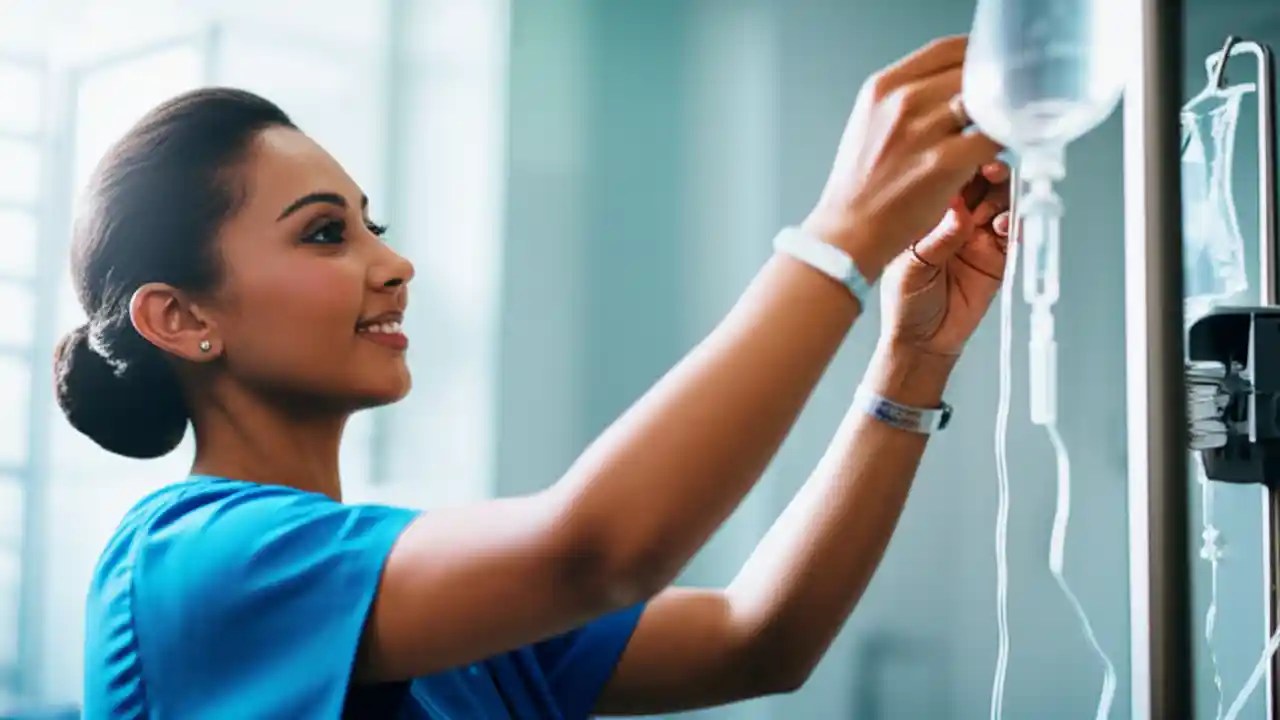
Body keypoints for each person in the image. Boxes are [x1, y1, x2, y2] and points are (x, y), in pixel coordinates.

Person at [63, 35, 1009, 719]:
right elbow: (599, 549)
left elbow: (759, 638)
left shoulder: (421, 608)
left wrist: (912, 361)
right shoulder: (186, 560)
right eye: (323, 233)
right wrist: (840, 237)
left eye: (370, 226)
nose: (394, 267)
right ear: (180, 318)